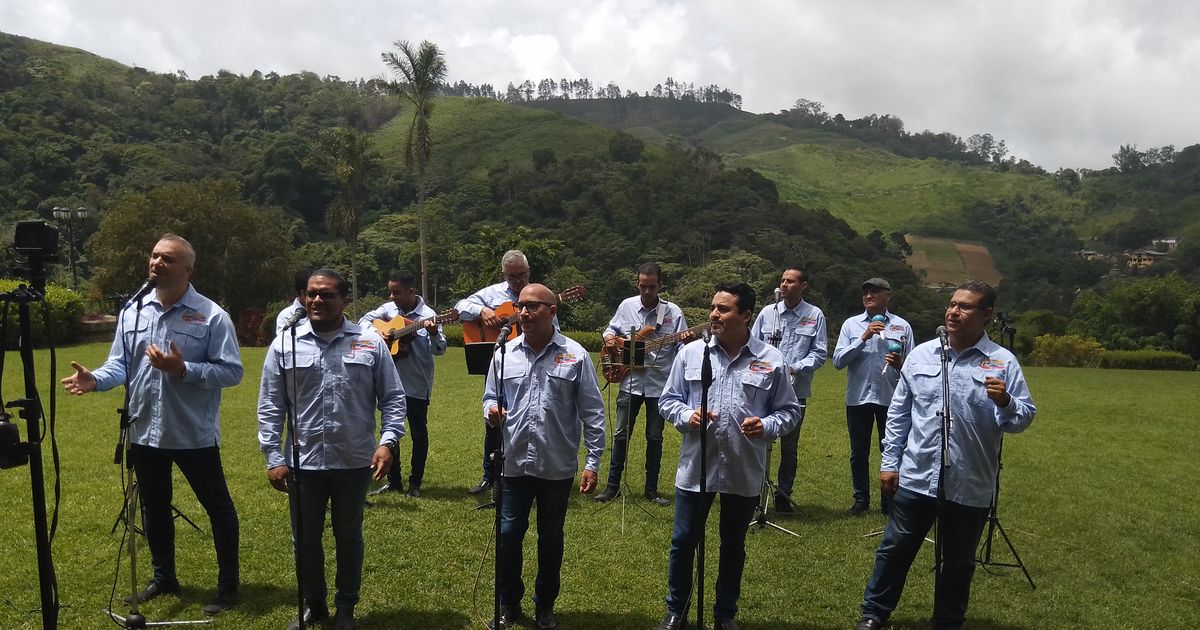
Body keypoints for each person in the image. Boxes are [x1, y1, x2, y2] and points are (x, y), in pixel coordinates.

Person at [61, 234, 243, 615]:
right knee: (154, 508)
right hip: (144, 429)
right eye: (155, 256)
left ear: (188, 270)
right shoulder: (133, 311)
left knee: (218, 508)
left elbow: (232, 371)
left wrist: (184, 369)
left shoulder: (212, 315)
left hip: (192, 432)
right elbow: (120, 365)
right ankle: (164, 578)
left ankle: (228, 587)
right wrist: (95, 379)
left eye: (168, 259)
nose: (157, 262)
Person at [854, 281, 1036, 630]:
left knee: (959, 561)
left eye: (964, 307)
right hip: (918, 475)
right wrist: (890, 463)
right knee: (895, 549)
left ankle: (948, 620)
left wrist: (1006, 402)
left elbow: (1023, 418)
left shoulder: (1002, 362)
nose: (953, 312)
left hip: (969, 481)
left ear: (986, 314)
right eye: (952, 304)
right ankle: (874, 613)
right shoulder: (921, 355)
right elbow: (899, 414)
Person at [258, 268, 406, 630]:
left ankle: (345, 607)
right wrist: (273, 457)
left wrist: (388, 441)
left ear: (345, 300)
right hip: (302, 463)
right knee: (305, 540)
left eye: (326, 295)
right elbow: (270, 406)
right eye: (311, 294)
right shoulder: (286, 343)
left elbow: (393, 398)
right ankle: (314, 604)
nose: (316, 300)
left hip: (353, 460)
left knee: (348, 536)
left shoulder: (370, 343)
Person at [656, 283, 803, 630]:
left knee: (733, 544)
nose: (713, 314)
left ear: (746, 315)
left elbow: (790, 411)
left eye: (723, 309)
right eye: (713, 307)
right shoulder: (692, 353)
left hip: (743, 467)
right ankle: (677, 611)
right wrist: (686, 415)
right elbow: (667, 400)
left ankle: (725, 614)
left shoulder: (771, 359)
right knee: (683, 541)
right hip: (697, 466)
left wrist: (767, 425)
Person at [482, 284, 605, 630]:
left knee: (550, 539)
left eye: (533, 306)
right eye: (521, 306)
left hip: (555, 465)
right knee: (508, 535)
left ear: (552, 311)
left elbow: (593, 412)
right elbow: (490, 396)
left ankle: (545, 606)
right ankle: (508, 604)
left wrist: (593, 462)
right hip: (513, 462)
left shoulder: (576, 355)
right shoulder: (504, 352)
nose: (524, 312)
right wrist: (491, 410)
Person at [455, 250, 558, 496]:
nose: (518, 280)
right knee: (494, 419)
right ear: (504, 275)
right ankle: (489, 476)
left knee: (529, 420)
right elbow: (459, 307)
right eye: (512, 277)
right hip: (501, 364)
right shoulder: (492, 294)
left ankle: (527, 473)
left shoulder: (539, 295)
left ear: (529, 271)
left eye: (522, 275)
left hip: (532, 366)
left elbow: (554, 330)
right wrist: (482, 311)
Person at [594, 262, 689, 506]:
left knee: (655, 437)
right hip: (630, 381)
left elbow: (682, 348)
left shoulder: (673, 312)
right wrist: (610, 339)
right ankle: (612, 486)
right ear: (637, 284)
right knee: (620, 434)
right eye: (643, 286)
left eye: (652, 286)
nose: (647, 291)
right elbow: (610, 329)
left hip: (660, 384)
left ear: (660, 286)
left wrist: (687, 343)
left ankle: (651, 490)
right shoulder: (627, 305)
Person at [358, 270, 447, 498]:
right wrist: (378, 334)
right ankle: (394, 481)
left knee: (418, 434)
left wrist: (434, 333)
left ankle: (415, 483)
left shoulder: (429, 315)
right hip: (389, 385)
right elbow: (363, 321)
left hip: (416, 384)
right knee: (390, 432)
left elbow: (440, 349)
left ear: (411, 292)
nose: (391, 296)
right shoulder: (388, 310)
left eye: (396, 292)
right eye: (390, 291)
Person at [832, 277, 915, 516]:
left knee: (891, 449)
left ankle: (890, 502)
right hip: (858, 398)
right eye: (866, 292)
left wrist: (900, 364)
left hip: (892, 399)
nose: (868, 296)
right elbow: (838, 361)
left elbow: (912, 367)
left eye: (875, 292)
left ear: (888, 296)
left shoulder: (902, 326)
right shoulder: (851, 325)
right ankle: (861, 499)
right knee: (858, 453)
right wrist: (863, 337)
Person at [748, 267, 827, 513]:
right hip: (763, 389)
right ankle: (754, 493)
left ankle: (783, 494)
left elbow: (819, 352)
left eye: (790, 281)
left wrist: (794, 368)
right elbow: (751, 346)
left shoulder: (814, 315)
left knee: (789, 446)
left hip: (795, 391)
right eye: (782, 280)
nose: (784, 285)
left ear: (803, 286)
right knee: (758, 440)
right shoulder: (767, 313)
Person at [275, 268, 312, 334]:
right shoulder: (286, 315)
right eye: (313, 293)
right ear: (303, 293)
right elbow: (283, 338)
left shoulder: (325, 312)